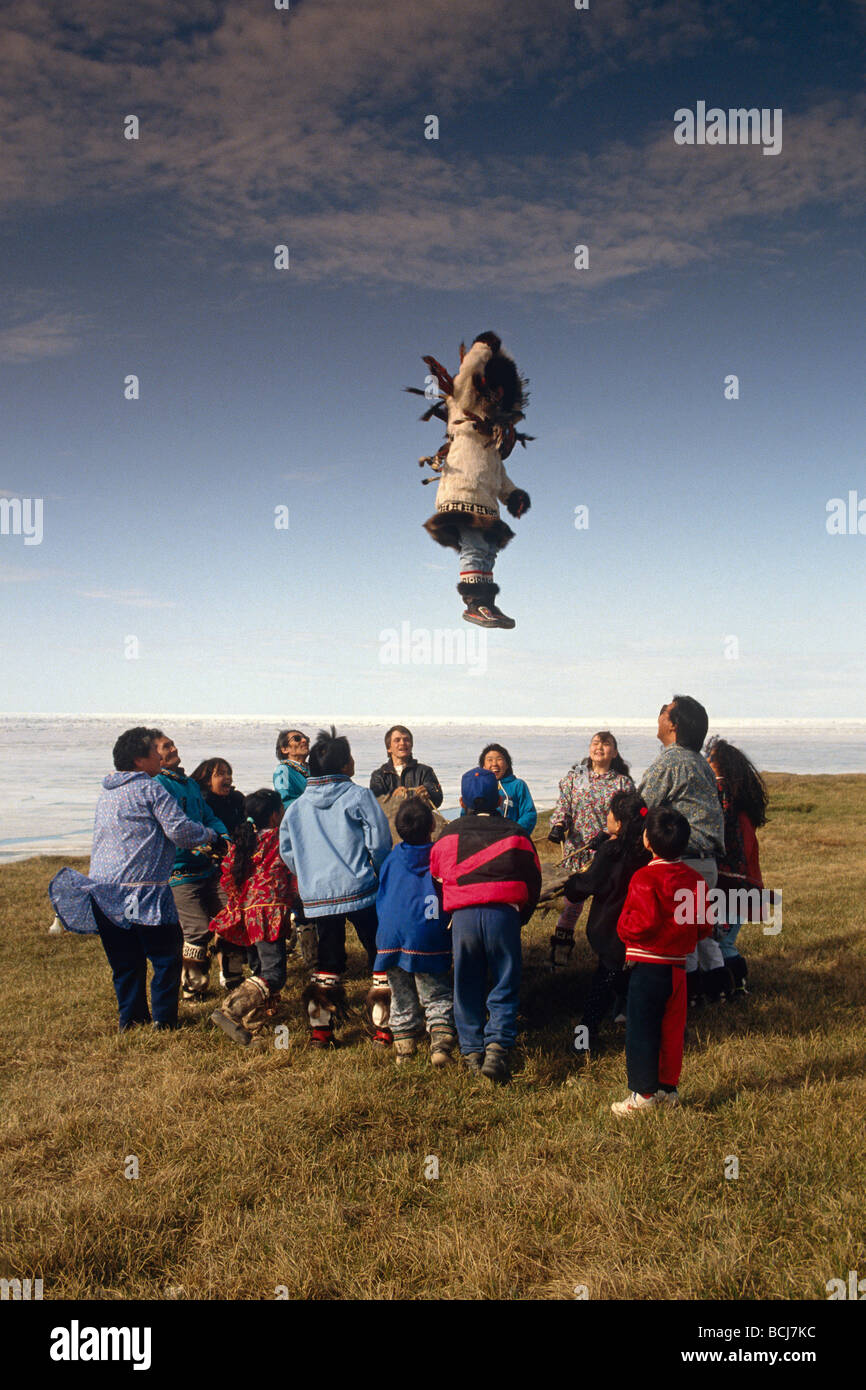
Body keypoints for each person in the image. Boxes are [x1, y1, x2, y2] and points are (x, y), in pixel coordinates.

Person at [48, 727, 218, 1031]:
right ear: (140, 760)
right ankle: (164, 1022)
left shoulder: (108, 791)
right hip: (143, 893)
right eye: (155, 750)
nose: (159, 755)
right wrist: (210, 836)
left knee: (126, 962)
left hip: (105, 893)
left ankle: (132, 1020)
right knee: (166, 957)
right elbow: (179, 831)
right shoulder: (151, 789)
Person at [279, 726, 392, 1048]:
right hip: (361, 889)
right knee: (379, 953)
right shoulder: (358, 796)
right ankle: (384, 1029)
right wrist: (380, 873)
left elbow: (287, 851)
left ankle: (321, 1031)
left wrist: (308, 876)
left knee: (327, 961)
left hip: (318, 896)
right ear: (344, 766)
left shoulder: (297, 807)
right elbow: (380, 842)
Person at [430, 767, 541, 1083]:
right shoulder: (517, 834)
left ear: (462, 800)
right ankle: (497, 1047)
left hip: (463, 917)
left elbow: (437, 877)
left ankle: (472, 1051)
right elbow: (533, 879)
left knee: (465, 983)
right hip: (503, 914)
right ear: (500, 799)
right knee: (505, 980)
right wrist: (522, 915)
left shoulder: (448, 835)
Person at [415, 331, 532, 628]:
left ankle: (486, 603)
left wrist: (513, 495)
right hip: (462, 497)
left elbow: (500, 477)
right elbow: (467, 377)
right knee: (476, 548)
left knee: (488, 553)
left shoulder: (490, 446)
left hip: (486, 505)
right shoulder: (464, 417)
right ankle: (475, 602)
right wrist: (481, 349)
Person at [611, 806, 711, 1115]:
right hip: (678, 968)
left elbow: (641, 923)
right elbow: (705, 927)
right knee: (672, 1029)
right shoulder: (695, 879)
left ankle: (643, 1095)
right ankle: (669, 1089)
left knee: (641, 1030)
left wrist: (622, 927)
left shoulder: (644, 877)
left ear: (647, 841)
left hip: (648, 966)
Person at [638, 696, 728, 1003]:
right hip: (707, 862)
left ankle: (681, 1002)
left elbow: (640, 809)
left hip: (682, 863)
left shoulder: (671, 761)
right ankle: (713, 994)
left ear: (673, 724)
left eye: (664, 710)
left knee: (679, 941)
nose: (659, 714)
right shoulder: (699, 762)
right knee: (697, 935)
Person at [209, 789, 300, 1045]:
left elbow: (227, 874)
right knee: (273, 975)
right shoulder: (281, 838)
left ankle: (253, 1029)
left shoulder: (244, 841)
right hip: (270, 912)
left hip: (248, 915)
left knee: (259, 968)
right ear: (274, 816)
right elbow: (295, 867)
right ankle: (231, 1010)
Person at [562, 790, 651, 1050]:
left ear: (620, 823)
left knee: (602, 985)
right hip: (639, 928)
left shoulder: (612, 851)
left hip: (611, 929)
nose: (607, 816)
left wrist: (571, 885)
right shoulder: (646, 850)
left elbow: (590, 883)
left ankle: (583, 1039)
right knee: (626, 979)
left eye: (611, 812)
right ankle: (644, 1022)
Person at [151, 731, 236, 1000]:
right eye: (166, 746)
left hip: (207, 868)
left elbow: (208, 816)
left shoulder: (187, 783)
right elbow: (172, 826)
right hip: (179, 871)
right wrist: (197, 840)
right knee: (197, 929)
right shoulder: (157, 785)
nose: (174, 748)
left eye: (173, 743)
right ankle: (193, 988)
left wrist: (222, 836)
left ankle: (234, 979)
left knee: (231, 916)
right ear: (154, 755)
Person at [373, 797, 456, 1067]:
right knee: (435, 992)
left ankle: (405, 1049)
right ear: (433, 825)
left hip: (391, 937)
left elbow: (382, 895)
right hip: (428, 934)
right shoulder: (438, 855)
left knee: (401, 992)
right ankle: (441, 1043)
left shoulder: (392, 858)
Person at [547, 732, 635, 967]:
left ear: (614, 753)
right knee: (572, 903)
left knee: (608, 905)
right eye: (595, 743)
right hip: (578, 849)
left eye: (606, 744)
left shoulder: (622, 783)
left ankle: (611, 953)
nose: (600, 747)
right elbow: (564, 804)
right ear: (589, 749)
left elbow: (628, 817)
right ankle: (561, 949)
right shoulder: (576, 776)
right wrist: (558, 825)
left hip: (609, 852)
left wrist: (608, 835)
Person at [705, 737, 769, 998]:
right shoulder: (741, 811)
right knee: (723, 940)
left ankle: (736, 985)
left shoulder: (731, 812)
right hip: (743, 887)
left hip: (734, 887)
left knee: (722, 941)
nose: (706, 762)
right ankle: (734, 984)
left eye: (711, 758)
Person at [369, 726, 443, 806]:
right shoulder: (379, 775)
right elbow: (375, 804)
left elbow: (437, 798)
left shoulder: (425, 771)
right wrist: (393, 798)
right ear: (389, 748)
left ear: (411, 745)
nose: (402, 743)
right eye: (397, 740)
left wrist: (428, 794)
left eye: (406, 740)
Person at [477, 743, 537, 834]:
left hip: (512, 840)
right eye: (489, 760)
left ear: (507, 764)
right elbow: (466, 815)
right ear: (483, 766)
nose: (494, 764)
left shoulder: (518, 785)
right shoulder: (477, 786)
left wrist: (513, 834)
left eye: (499, 759)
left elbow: (528, 814)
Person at [191, 757, 246, 836]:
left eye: (229, 773)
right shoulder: (202, 802)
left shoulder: (237, 798)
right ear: (207, 781)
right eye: (221, 774)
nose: (228, 777)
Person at [273, 729, 311, 811]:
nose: (304, 740)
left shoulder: (313, 768)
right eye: (297, 739)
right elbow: (286, 802)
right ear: (285, 749)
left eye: (306, 739)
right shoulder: (283, 770)